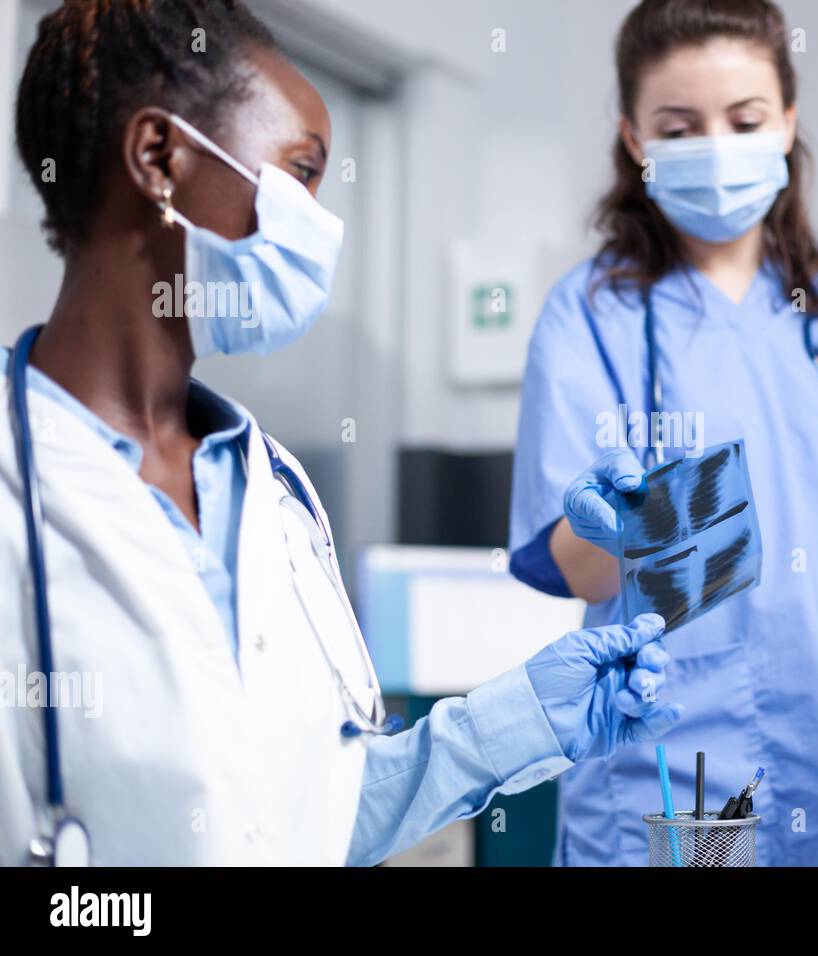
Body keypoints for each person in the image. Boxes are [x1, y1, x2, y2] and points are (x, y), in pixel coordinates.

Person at [0, 0, 680, 867]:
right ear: (159, 157)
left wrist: (519, 722)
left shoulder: (273, 494)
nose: (319, 229)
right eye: (301, 173)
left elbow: (313, 818)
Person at [510, 0, 818, 866]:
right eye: (679, 127)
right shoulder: (593, 317)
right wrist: (629, 525)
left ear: (788, 122)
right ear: (635, 140)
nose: (716, 145)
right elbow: (574, 562)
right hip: (684, 770)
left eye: (745, 120)